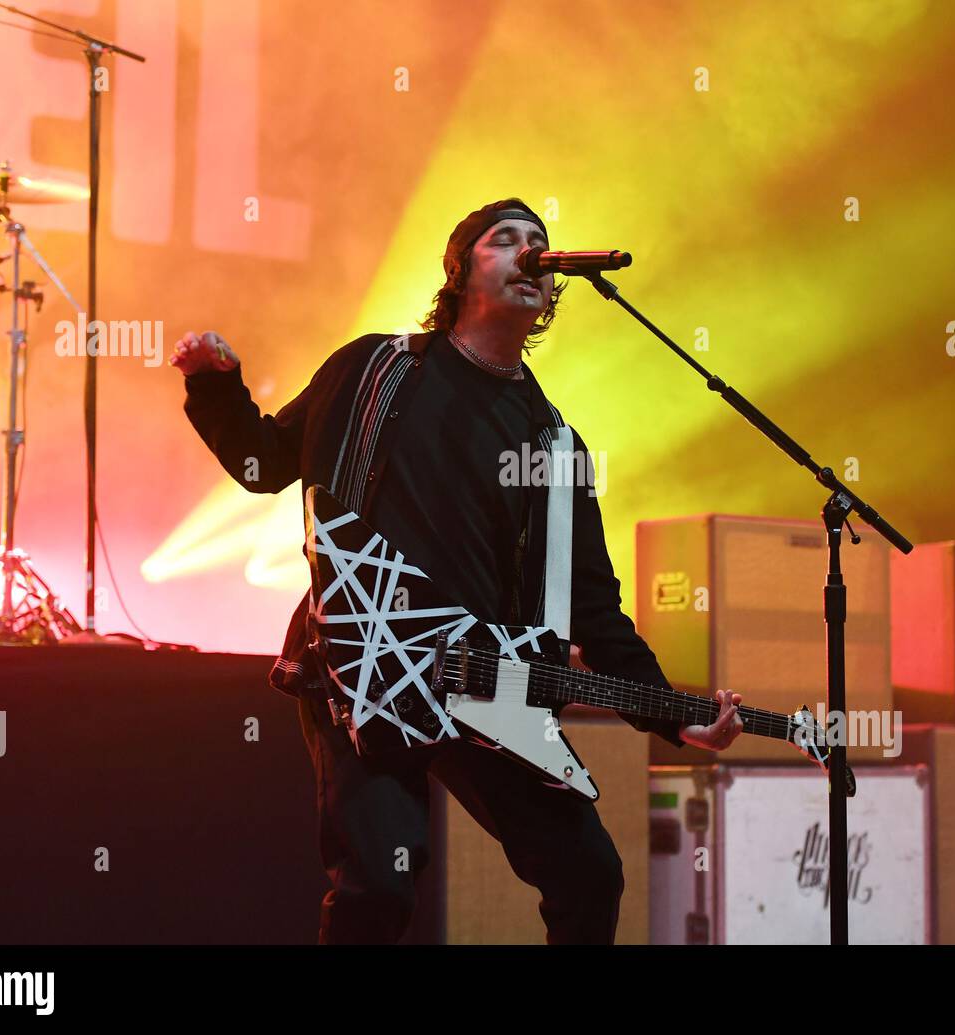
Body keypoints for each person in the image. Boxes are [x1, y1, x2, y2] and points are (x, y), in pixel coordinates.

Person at [172, 198, 744, 944]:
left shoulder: (553, 442)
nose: (530, 253)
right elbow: (264, 465)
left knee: (588, 873)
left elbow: (596, 610)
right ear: (461, 268)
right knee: (377, 884)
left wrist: (675, 714)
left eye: (540, 243)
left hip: (479, 680)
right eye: (505, 240)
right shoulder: (373, 369)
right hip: (364, 662)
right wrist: (216, 386)